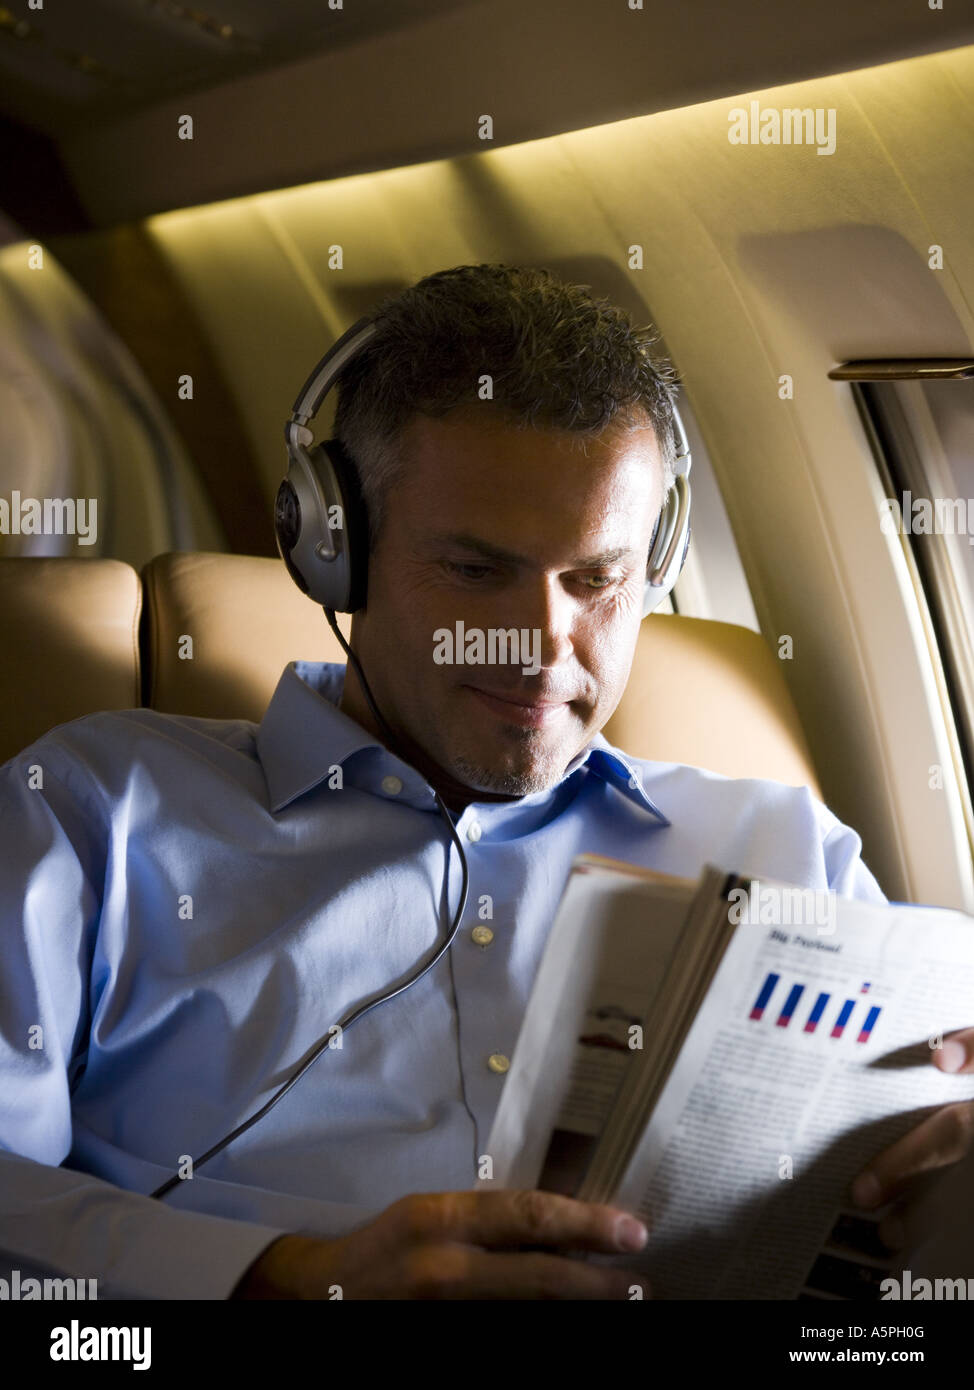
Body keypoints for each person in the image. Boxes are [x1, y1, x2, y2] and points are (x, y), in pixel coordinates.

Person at [0, 264, 969, 1301]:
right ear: (336, 550)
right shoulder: (95, 814)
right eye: (473, 571)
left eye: (596, 578)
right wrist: (282, 1278)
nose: (541, 647)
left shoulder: (787, 850)